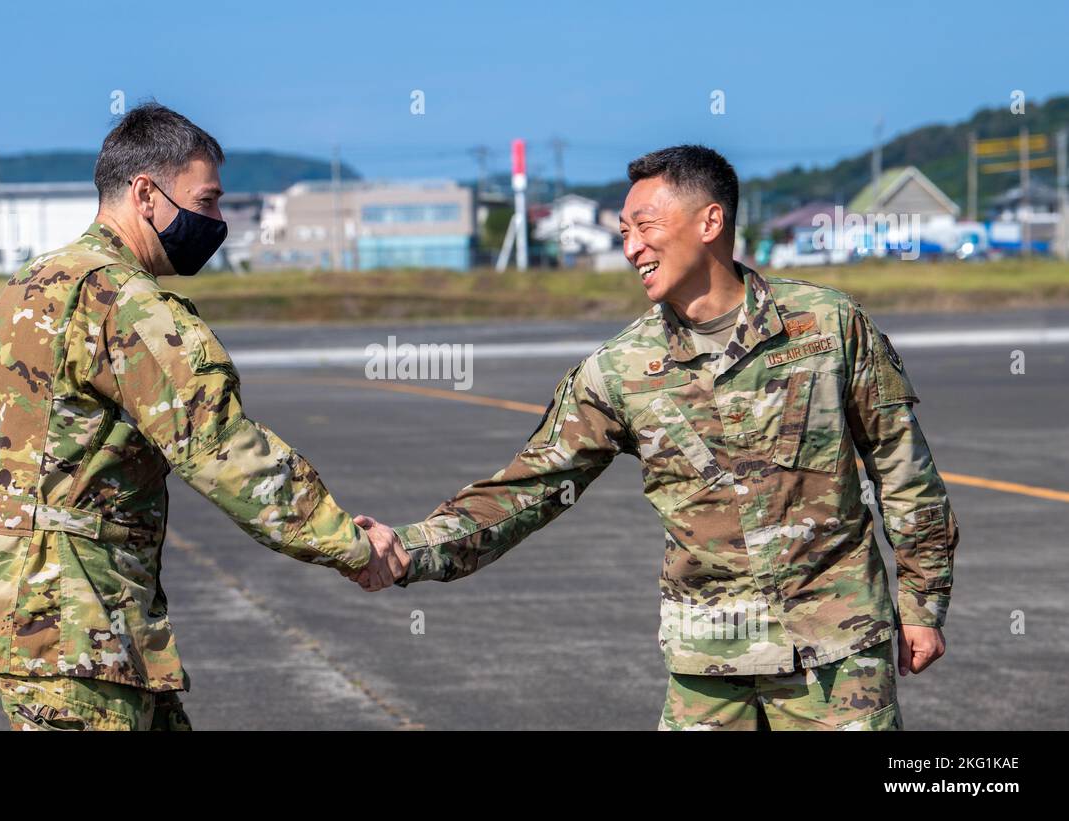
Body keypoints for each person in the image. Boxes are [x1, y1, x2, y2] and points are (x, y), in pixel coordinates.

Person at [0, 102, 409, 731]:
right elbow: (219, 446)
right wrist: (351, 545)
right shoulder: (126, 305)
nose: (218, 222)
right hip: (79, 632)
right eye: (208, 200)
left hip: (74, 634)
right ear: (145, 193)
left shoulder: (17, 296)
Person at [355, 145, 959, 731]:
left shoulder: (828, 327)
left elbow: (903, 471)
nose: (631, 247)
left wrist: (921, 603)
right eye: (622, 232)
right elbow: (530, 487)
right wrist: (410, 549)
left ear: (710, 222)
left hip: (838, 652)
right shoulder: (620, 369)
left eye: (644, 226)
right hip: (708, 663)